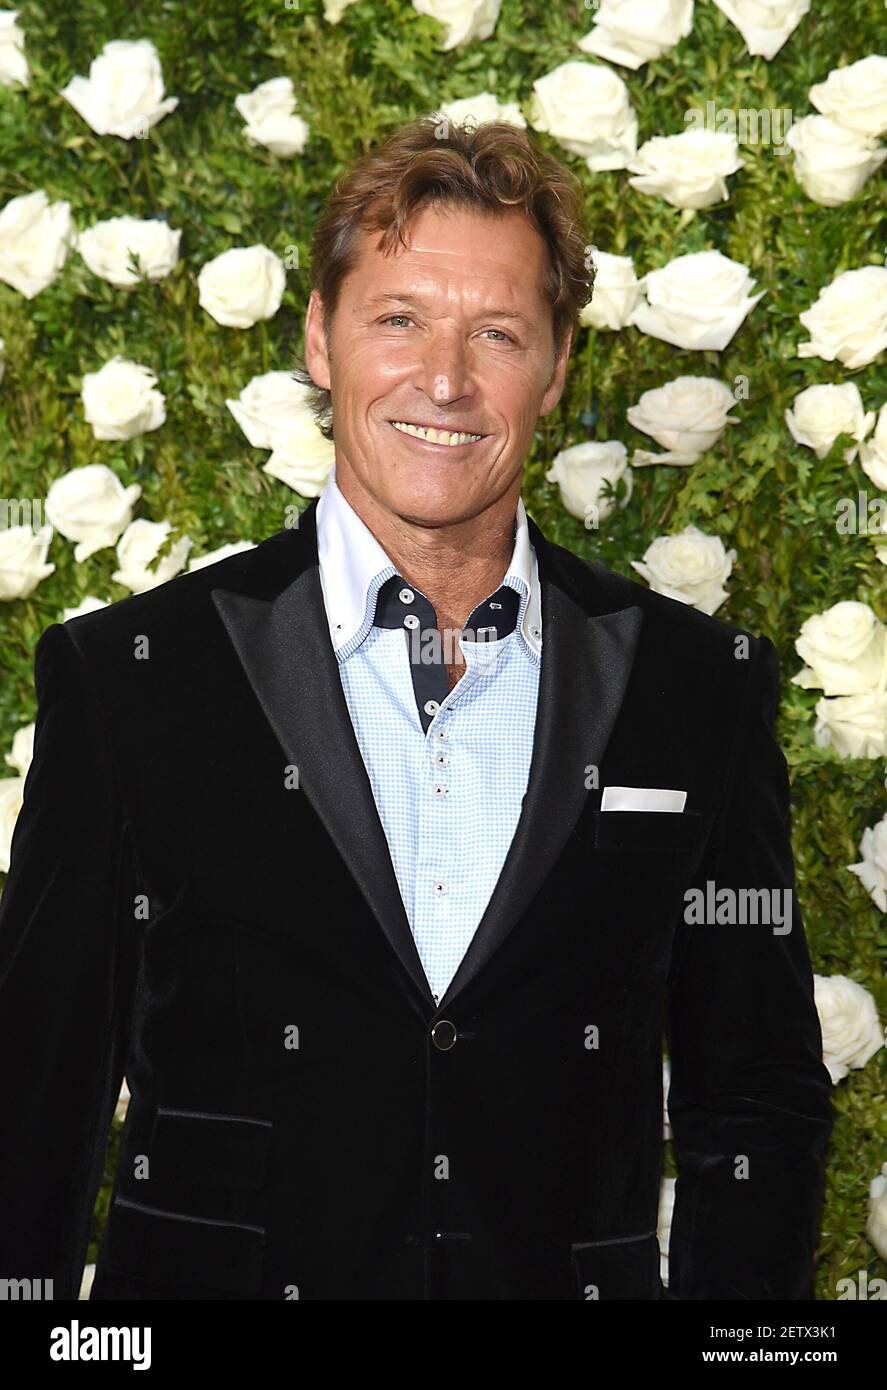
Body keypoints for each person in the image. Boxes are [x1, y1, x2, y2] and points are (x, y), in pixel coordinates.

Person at [0, 115, 833, 1300]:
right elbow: (34, 1093)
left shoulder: (696, 686)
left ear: (554, 369)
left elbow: (751, 1095)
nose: (443, 379)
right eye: (398, 318)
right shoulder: (129, 677)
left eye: (494, 332)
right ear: (320, 340)